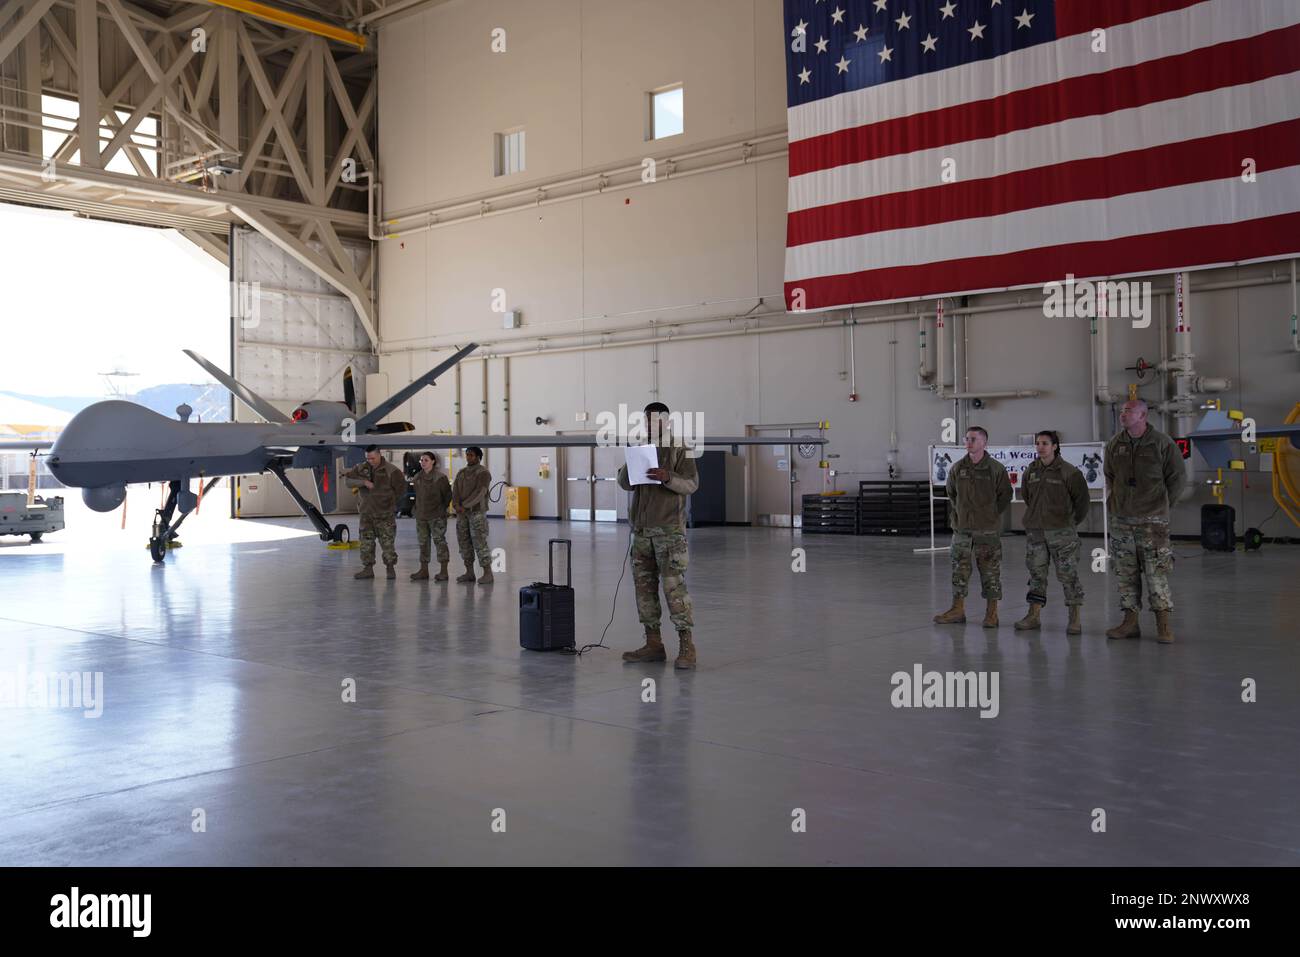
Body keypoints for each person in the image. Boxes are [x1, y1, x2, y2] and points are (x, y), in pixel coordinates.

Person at [617, 402, 700, 669]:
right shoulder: (640, 447)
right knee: (644, 591)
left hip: (669, 534)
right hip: (641, 533)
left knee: (674, 589)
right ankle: (653, 643)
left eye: (656, 421)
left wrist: (667, 477)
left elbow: (691, 485)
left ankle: (687, 646)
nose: (651, 425)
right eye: (647, 421)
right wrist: (630, 465)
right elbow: (624, 483)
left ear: (667, 422)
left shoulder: (680, 448)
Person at [1103, 399, 1186, 643]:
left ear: (1143, 415)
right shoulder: (1114, 444)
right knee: (1125, 573)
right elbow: (1110, 475)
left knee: (1156, 571)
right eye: (1122, 412)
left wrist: (1160, 506)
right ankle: (1130, 623)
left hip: (1153, 520)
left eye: (1128, 411)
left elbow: (1177, 478)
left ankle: (1163, 624)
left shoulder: (1161, 443)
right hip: (1122, 519)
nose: (1123, 415)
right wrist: (1115, 502)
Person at [934, 426, 1013, 627]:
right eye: (967, 439)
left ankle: (992, 613)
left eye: (974, 439)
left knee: (990, 572)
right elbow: (952, 494)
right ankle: (957, 609)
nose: (969, 442)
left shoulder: (995, 469)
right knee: (959, 571)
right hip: (962, 531)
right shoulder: (958, 468)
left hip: (986, 531)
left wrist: (990, 514)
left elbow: (1005, 495)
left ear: (984, 443)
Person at [1015, 430, 1090, 634]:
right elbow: (1028, 497)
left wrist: (1067, 523)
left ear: (1055, 446)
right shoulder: (1031, 470)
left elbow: (1082, 503)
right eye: (1038, 443)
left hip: (1062, 533)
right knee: (1036, 574)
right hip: (1036, 532)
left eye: (1045, 443)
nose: (1040, 447)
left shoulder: (1069, 472)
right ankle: (1034, 615)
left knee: (1068, 575)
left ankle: (1074, 618)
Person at [343, 445, 407, 580]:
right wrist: (363, 482)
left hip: (384, 515)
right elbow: (348, 481)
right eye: (368, 458)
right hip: (366, 514)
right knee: (366, 543)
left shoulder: (391, 470)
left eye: (372, 458)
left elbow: (401, 490)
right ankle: (368, 569)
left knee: (387, 543)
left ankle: (390, 569)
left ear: (379, 455)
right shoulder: (361, 468)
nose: (370, 461)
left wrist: (388, 502)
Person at [452, 446, 493, 584]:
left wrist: (465, 506)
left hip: (476, 513)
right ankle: (469, 572)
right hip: (462, 514)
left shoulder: (483, 473)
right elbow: (455, 490)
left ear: (478, 457)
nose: (468, 457)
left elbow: (480, 492)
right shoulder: (461, 472)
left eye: (471, 455)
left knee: (480, 542)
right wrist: (456, 505)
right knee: (464, 543)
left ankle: (488, 573)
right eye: (467, 455)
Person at [410, 451, 453, 581]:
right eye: (421, 460)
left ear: (433, 461)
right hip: (421, 516)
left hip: (436, 516)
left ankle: (444, 571)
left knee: (439, 542)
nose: (423, 462)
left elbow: (447, 496)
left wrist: (441, 509)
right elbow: (417, 496)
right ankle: (423, 570)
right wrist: (416, 510)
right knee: (423, 543)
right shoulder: (417, 477)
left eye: (426, 460)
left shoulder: (440, 478)